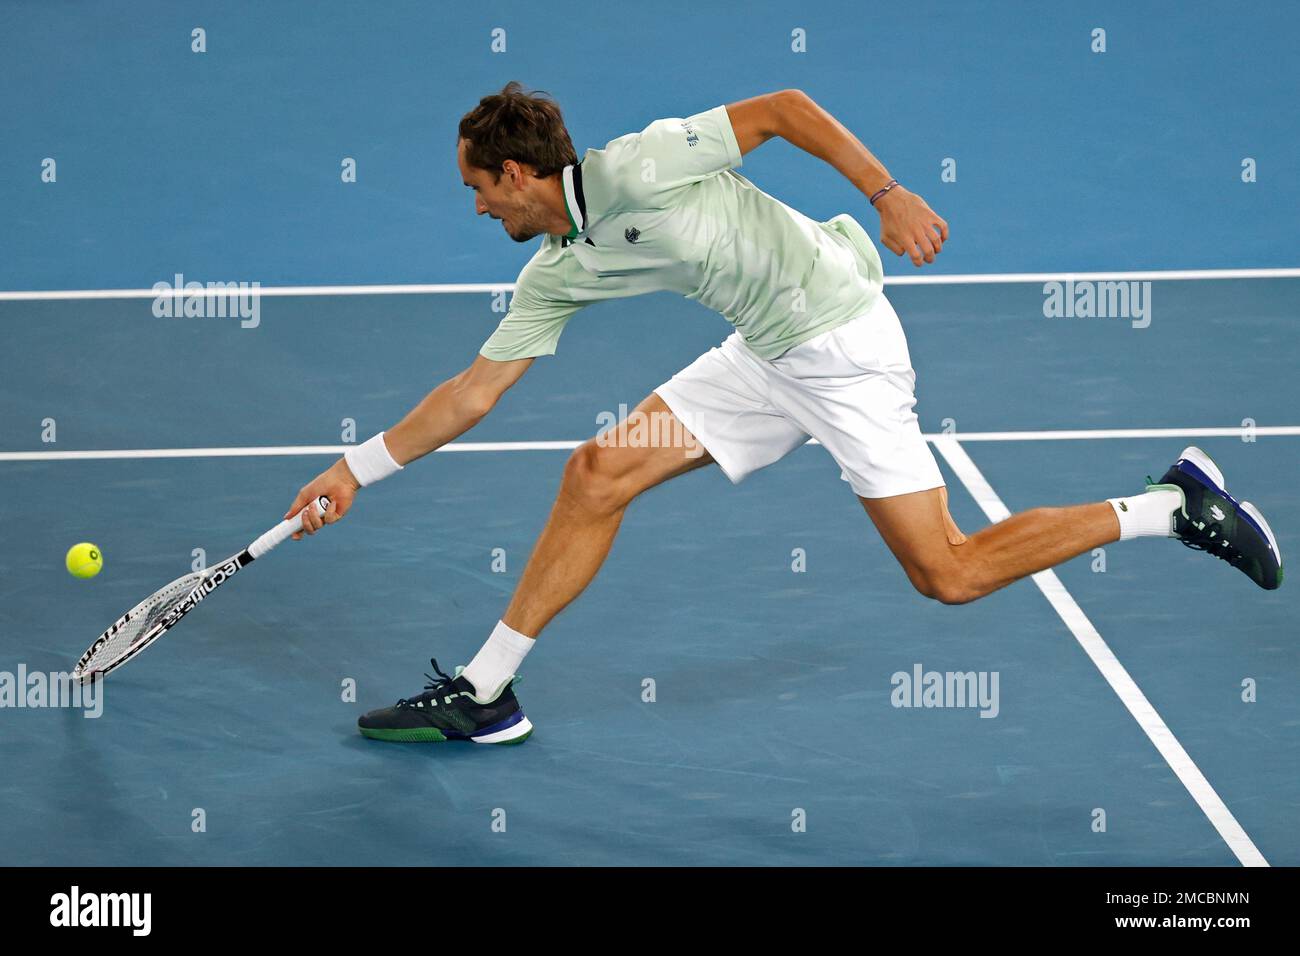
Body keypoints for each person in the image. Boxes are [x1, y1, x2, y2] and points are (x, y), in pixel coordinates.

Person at [283, 82, 1282, 745]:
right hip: (763, 352)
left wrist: (886, 193)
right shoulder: (556, 270)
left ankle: (1171, 505)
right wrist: (353, 469)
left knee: (947, 570)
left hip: (842, 347)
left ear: (515, 174)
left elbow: (781, 109)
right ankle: (486, 690)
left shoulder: (638, 163)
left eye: (476, 190)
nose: (474, 210)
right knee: (597, 471)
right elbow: (473, 389)